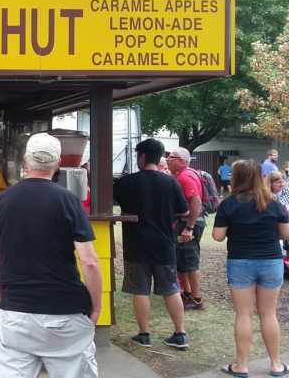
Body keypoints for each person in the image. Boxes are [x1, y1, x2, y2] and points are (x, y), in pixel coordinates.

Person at [0, 133, 101, 378]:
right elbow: (89, 262)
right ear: (57, 164)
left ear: (26, 160)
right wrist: (96, 307)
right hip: (65, 312)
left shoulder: (3, 201)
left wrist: (0, 303)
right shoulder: (69, 200)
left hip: (16, 312)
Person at [212, 159, 289, 377]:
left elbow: (217, 236)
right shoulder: (274, 203)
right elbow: (286, 234)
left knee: (244, 314)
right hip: (271, 262)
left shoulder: (229, 204)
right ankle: (275, 364)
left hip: (240, 262)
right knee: (269, 314)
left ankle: (241, 366)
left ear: (236, 177)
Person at [113, 139, 191, 350]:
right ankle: (180, 334)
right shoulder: (171, 182)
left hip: (136, 244)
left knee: (141, 290)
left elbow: (107, 198)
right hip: (164, 244)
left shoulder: (127, 182)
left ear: (143, 157)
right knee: (171, 289)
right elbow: (184, 211)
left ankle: (144, 335)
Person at [167, 147, 207, 310]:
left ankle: (197, 299)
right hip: (184, 222)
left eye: (171, 157)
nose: (168, 159)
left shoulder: (185, 176)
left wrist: (189, 228)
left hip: (189, 223)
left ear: (180, 161)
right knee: (182, 259)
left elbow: (195, 202)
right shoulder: (182, 175)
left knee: (190, 260)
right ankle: (188, 295)